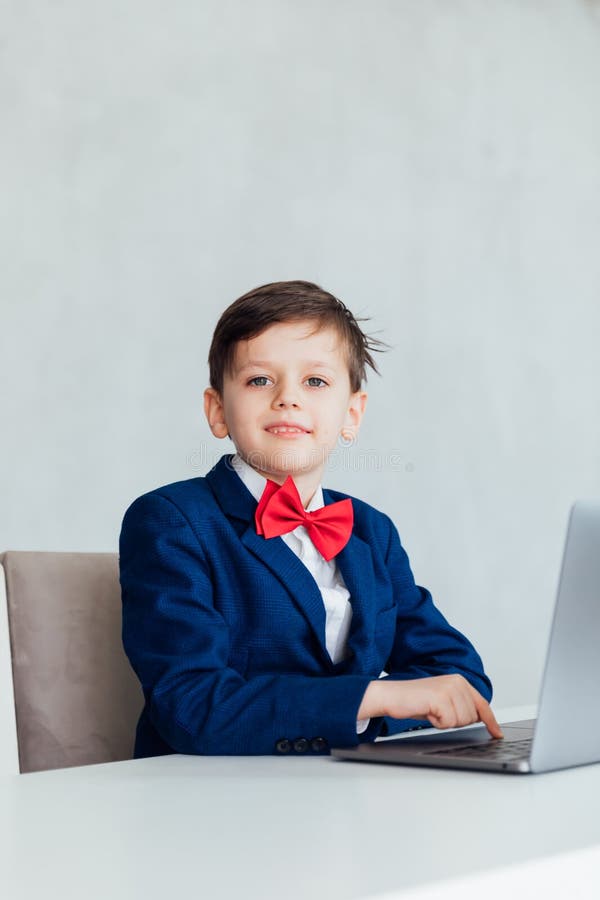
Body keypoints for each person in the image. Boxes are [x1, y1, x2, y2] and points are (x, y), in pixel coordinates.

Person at [119, 280, 503, 758]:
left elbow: (460, 673)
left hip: (345, 790)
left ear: (352, 415)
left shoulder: (371, 531)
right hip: (212, 801)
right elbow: (192, 706)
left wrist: (367, 715)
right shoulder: (171, 521)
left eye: (315, 381)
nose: (287, 398)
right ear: (217, 410)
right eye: (260, 380)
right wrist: (374, 697)